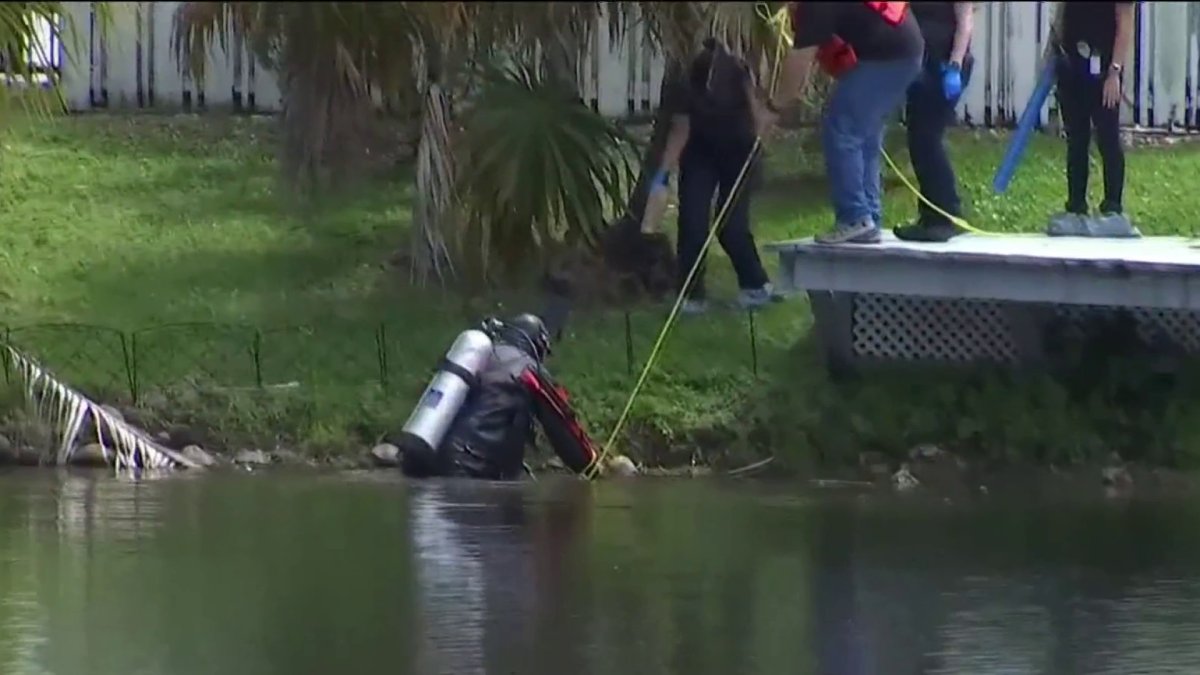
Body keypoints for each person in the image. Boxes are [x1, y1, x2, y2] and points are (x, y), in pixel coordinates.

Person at [762, 2, 925, 245]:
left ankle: (854, 217)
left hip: (887, 56)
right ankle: (868, 216)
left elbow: (800, 60)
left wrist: (773, 108)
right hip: (903, 50)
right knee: (864, 134)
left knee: (841, 130)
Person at [653, 38, 782, 315]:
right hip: (700, 155)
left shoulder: (740, 71)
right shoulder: (686, 81)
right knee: (693, 223)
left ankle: (756, 286)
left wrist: (761, 142)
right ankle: (690, 295)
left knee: (731, 227)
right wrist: (662, 175)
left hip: (739, 153)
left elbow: (758, 113)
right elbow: (680, 131)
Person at [396, 313, 598, 480]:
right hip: (468, 470)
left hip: (424, 462)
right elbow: (561, 423)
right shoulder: (528, 369)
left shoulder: (475, 357)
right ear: (538, 345)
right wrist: (589, 462)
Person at [1046, 1, 1138, 238]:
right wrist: (1053, 53)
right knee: (1076, 138)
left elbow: (1125, 20)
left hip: (1105, 67)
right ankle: (1075, 207)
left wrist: (1115, 72)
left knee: (1107, 135)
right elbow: (1062, 12)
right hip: (1071, 63)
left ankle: (1113, 209)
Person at [893, 2, 975, 243]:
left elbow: (965, 23)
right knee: (920, 139)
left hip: (944, 66)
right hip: (922, 65)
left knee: (926, 140)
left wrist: (955, 65)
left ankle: (944, 216)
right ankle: (931, 217)